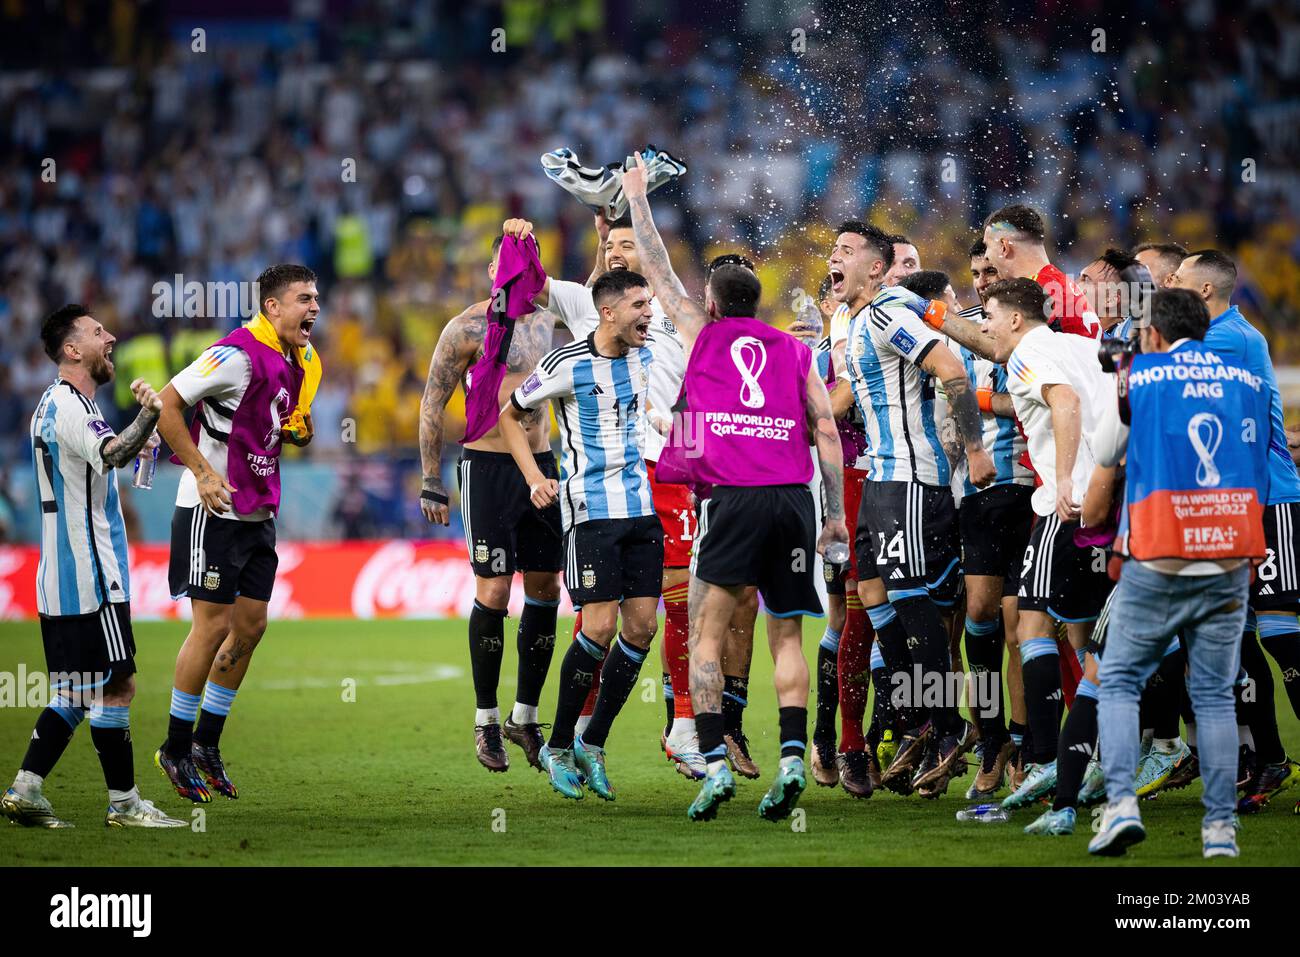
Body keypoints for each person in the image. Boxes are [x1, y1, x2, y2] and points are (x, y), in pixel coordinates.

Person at [624, 153, 849, 822]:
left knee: (705, 634)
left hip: (733, 499)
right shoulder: (795, 351)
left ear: (715, 303)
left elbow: (660, 274)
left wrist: (638, 197)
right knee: (787, 636)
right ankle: (789, 759)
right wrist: (833, 516)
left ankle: (716, 767)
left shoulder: (702, 336)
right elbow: (827, 432)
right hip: (792, 497)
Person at [1089, 288, 1271, 859]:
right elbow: (1263, 455)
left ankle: (1120, 806)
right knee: (1215, 695)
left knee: (1119, 681)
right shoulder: (1248, 380)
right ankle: (1220, 829)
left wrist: (1120, 375)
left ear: (1154, 334)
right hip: (1229, 551)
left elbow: (1104, 448)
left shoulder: (1138, 375)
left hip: (1159, 548)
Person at [1, 305, 184, 828]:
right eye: (98, 332)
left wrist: (136, 441)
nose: (112, 338)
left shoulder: (53, 406)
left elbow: (105, 460)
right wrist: (150, 414)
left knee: (77, 690)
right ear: (72, 350)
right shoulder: (71, 406)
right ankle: (124, 804)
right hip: (91, 577)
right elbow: (111, 452)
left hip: (58, 579)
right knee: (117, 685)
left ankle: (25, 790)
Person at [836, 223, 996, 798]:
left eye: (848, 253)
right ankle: (923, 719)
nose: (835, 258)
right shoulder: (856, 319)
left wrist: (975, 448)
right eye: (835, 250)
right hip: (879, 479)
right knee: (879, 599)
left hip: (910, 477)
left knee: (911, 601)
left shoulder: (887, 313)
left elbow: (950, 370)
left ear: (876, 269)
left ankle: (949, 730)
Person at [155, 264, 321, 803]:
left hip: (257, 511)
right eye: (303, 298)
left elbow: (274, 424)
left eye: (316, 297)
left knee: (250, 626)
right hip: (213, 508)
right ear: (272, 306)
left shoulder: (301, 359)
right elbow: (166, 406)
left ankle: (206, 742)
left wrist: (298, 431)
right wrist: (203, 472)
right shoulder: (234, 354)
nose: (314, 307)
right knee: (212, 626)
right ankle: (175, 746)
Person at [499, 269, 663, 802]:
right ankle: (558, 744)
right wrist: (533, 479)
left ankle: (593, 742)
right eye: (639, 304)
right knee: (598, 626)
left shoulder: (647, 349)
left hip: (642, 510)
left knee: (640, 630)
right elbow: (510, 414)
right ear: (608, 312)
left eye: (651, 303)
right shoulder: (565, 364)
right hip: (591, 512)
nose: (649, 313)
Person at [417, 234, 564, 773]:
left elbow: (600, 303)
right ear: (488, 273)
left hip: (543, 467)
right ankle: (485, 721)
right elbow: (433, 404)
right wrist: (431, 478)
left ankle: (524, 716)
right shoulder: (465, 329)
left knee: (547, 588)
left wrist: (599, 237)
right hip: (486, 470)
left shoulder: (550, 321)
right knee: (496, 591)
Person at [978, 278, 1116, 811]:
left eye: (988, 314)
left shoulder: (1028, 353)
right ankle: (1097, 757)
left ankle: (1042, 762)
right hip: (1111, 505)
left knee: (1030, 624)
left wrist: (1061, 482)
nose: (986, 325)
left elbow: (1064, 401)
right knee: (1088, 636)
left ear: (1014, 318)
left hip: (1070, 504)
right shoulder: (1084, 345)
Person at [1171, 250, 1300, 810]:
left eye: (1174, 279)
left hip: (1270, 501)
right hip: (1229, 506)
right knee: (1236, 639)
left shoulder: (1230, 340)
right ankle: (1271, 760)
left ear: (1203, 291)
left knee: (1281, 633)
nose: (1165, 286)